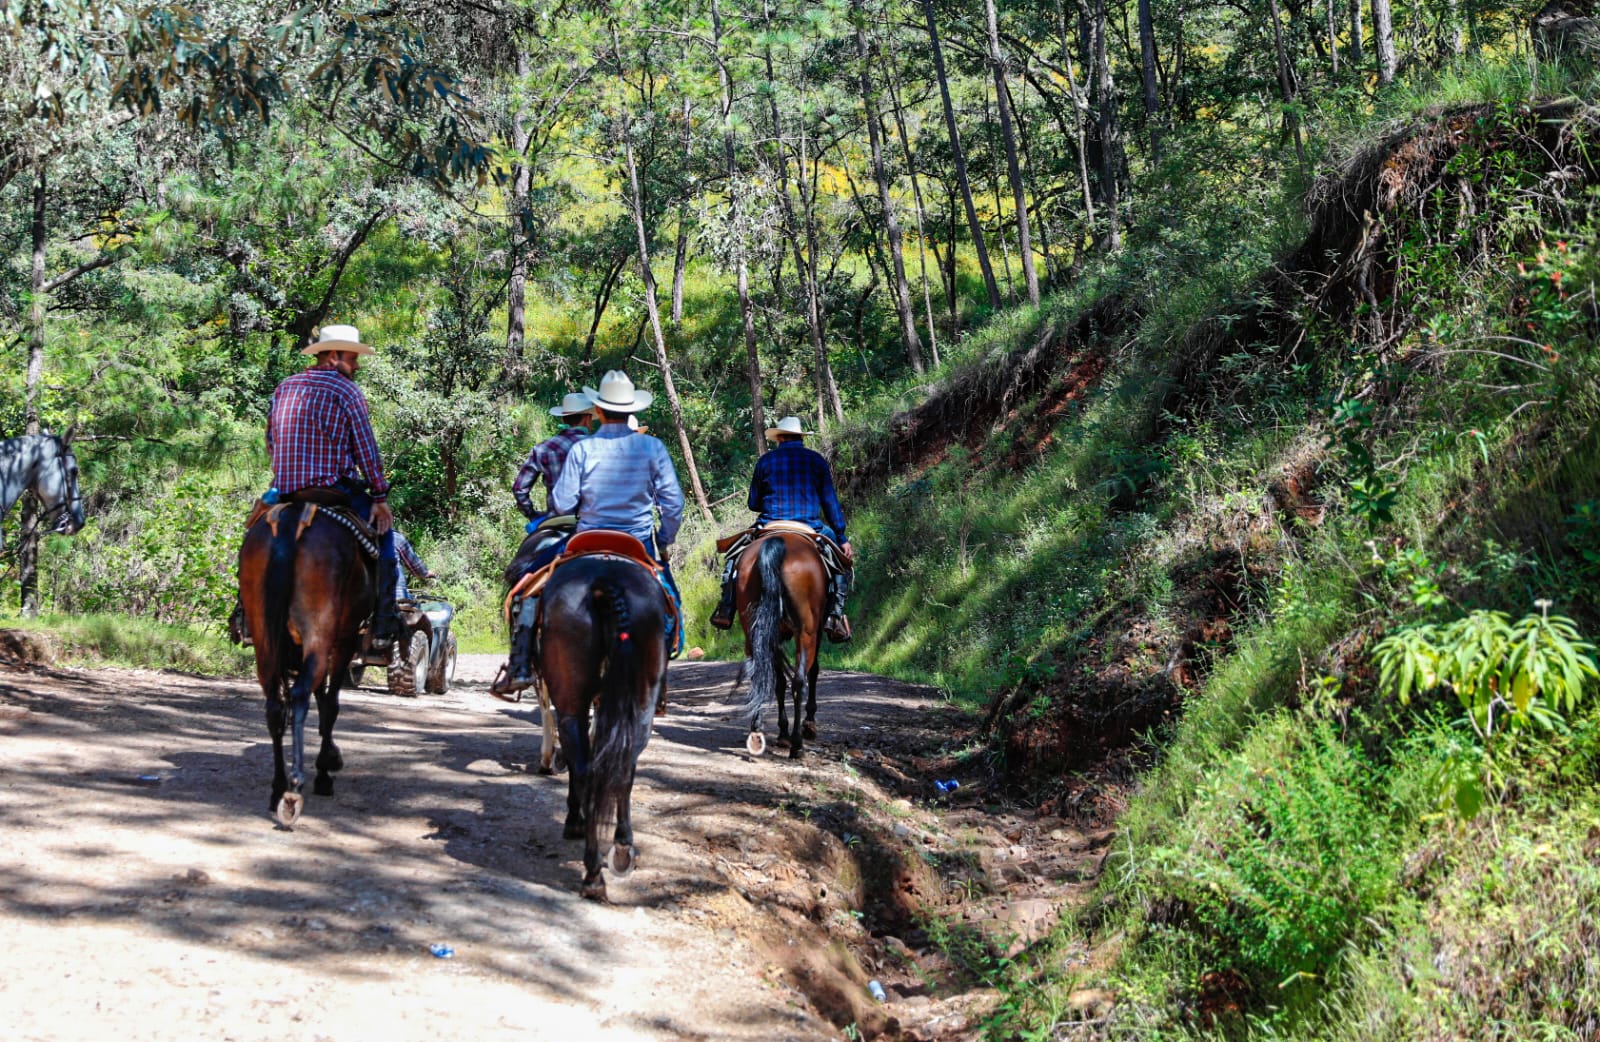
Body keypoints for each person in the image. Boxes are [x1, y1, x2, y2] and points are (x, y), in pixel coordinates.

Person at [495, 371, 683, 695]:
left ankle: (522, 662)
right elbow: (673, 504)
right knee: (670, 599)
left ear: (598, 410)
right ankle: (660, 673)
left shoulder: (584, 449)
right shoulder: (652, 447)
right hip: (637, 542)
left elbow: (563, 502)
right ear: (630, 409)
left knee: (529, 584)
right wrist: (663, 540)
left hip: (587, 538)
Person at [263, 323, 401, 645]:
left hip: (285, 490)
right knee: (386, 539)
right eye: (353, 358)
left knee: (253, 529)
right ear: (335, 355)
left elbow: (271, 440)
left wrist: (284, 469)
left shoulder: (285, 386)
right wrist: (380, 496)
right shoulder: (347, 391)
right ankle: (384, 620)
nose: (356, 365)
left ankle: (243, 611)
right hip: (333, 491)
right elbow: (366, 450)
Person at [709, 415, 855, 642]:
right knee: (839, 565)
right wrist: (841, 536)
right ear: (800, 438)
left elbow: (753, 503)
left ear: (779, 438)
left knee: (735, 556)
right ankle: (834, 618)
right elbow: (830, 502)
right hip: (810, 527)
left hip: (770, 525)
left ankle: (726, 606)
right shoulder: (816, 461)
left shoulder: (766, 461)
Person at [511, 392, 594, 525]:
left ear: (564, 419)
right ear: (587, 419)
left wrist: (532, 515)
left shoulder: (543, 448)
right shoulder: (599, 446)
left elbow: (519, 488)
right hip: (593, 521)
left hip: (558, 522)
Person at [392, 529, 436, 602]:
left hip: (369, 602)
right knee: (442, 608)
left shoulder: (366, 541)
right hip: (396, 597)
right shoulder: (395, 537)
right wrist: (427, 573)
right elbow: (417, 569)